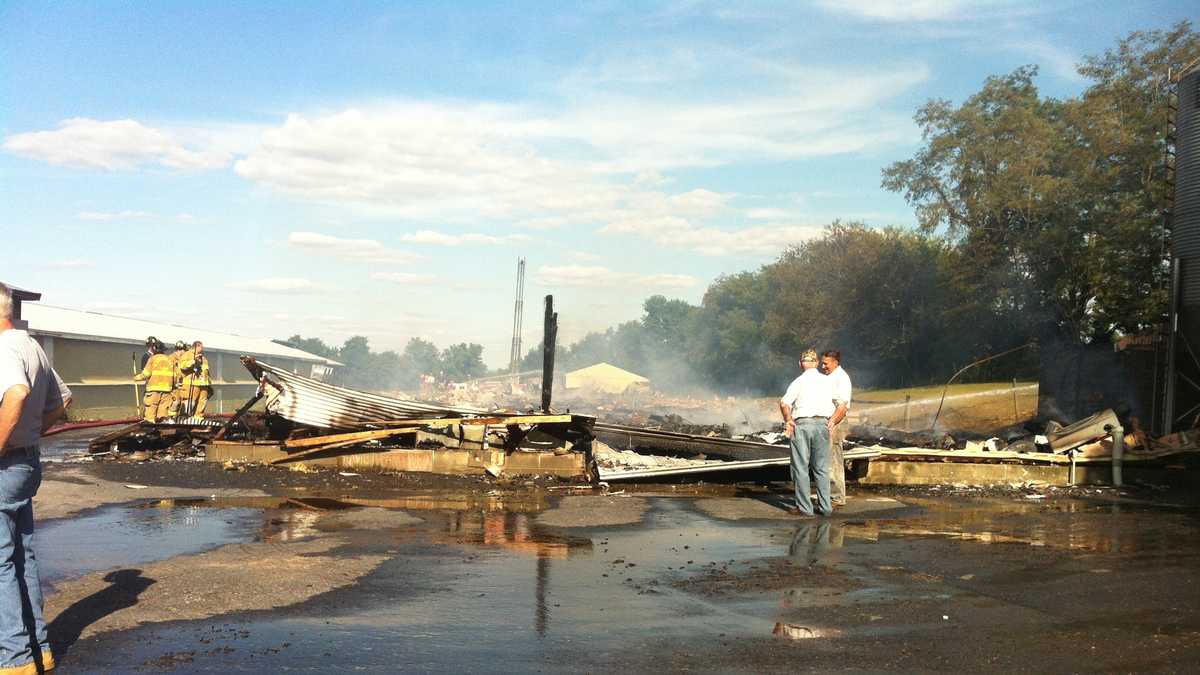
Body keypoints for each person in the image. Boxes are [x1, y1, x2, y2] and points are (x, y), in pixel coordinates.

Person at [0, 283, 71, 674]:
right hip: (25, 463)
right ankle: (38, 649)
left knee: (1, 565)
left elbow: (16, 392)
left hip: (5, 466)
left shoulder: (3, 348)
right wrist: (30, 434)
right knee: (21, 556)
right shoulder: (31, 346)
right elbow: (63, 400)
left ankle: (13, 660)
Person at [778, 349, 835, 517]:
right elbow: (841, 404)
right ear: (816, 363)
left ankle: (805, 508)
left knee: (800, 467)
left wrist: (788, 419)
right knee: (821, 468)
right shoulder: (827, 381)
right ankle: (826, 507)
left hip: (802, 425)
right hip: (822, 424)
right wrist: (832, 421)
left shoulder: (798, 381)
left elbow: (784, 403)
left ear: (800, 364)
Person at [822, 350, 852, 506]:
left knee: (834, 460)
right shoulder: (830, 377)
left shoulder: (841, 378)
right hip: (829, 421)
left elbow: (843, 407)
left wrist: (832, 423)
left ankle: (837, 497)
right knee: (827, 460)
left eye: (825, 363)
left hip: (836, 422)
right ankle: (829, 494)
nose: (823, 366)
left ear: (835, 362)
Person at [133, 340, 174, 423]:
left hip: (154, 390)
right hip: (167, 390)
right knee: (162, 413)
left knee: (150, 412)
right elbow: (175, 376)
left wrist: (136, 377)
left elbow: (146, 374)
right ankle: (162, 426)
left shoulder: (152, 359)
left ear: (154, 348)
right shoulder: (170, 360)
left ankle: (150, 427)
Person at [179, 341, 212, 417]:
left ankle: (198, 418)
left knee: (202, 402)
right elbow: (182, 366)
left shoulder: (203, 358)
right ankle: (185, 418)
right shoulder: (187, 354)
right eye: (201, 347)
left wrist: (209, 386)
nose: (203, 349)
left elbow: (207, 372)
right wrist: (193, 362)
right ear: (196, 346)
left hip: (204, 385)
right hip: (192, 385)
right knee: (190, 402)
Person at [167, 341, 189, 417]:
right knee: (174, 403)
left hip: (180, 386)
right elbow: (169, 373)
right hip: (173, 387)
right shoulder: (171, 358)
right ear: (181, 349)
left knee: (180, 403)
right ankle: (170, 418)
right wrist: (174, 384)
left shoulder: (182, 359)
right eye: (185, 351)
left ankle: (177, 418)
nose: (185, 353)